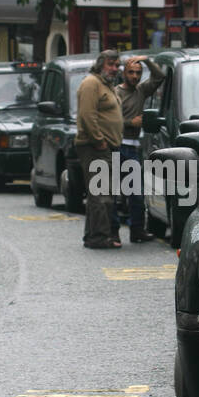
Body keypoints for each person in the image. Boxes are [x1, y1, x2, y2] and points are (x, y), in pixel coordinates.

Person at [75, 49, 124, 249]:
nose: (114, 69)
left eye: (116, 65)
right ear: (100, 64)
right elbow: (87, 115)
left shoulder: (106, 85)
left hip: (106, 147)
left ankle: (93, 235)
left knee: (102, 193)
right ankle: (99, 237)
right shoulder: (91, 84)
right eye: (110, 64)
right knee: (101, 194)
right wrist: (99, 140)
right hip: (94, 147)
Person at [117, 55, 167, 242]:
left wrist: (146, 60)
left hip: (134, 147)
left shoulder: (141, 90)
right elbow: (109, 122)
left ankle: (136, 230)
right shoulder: (116, 93)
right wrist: (131, 122)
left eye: (138, 73)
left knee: (136, 193)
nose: (135, 76)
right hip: (119, 146)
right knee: (119, 193)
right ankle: (115, 231)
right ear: (124, 73)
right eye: (131, 72)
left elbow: (159, 76)